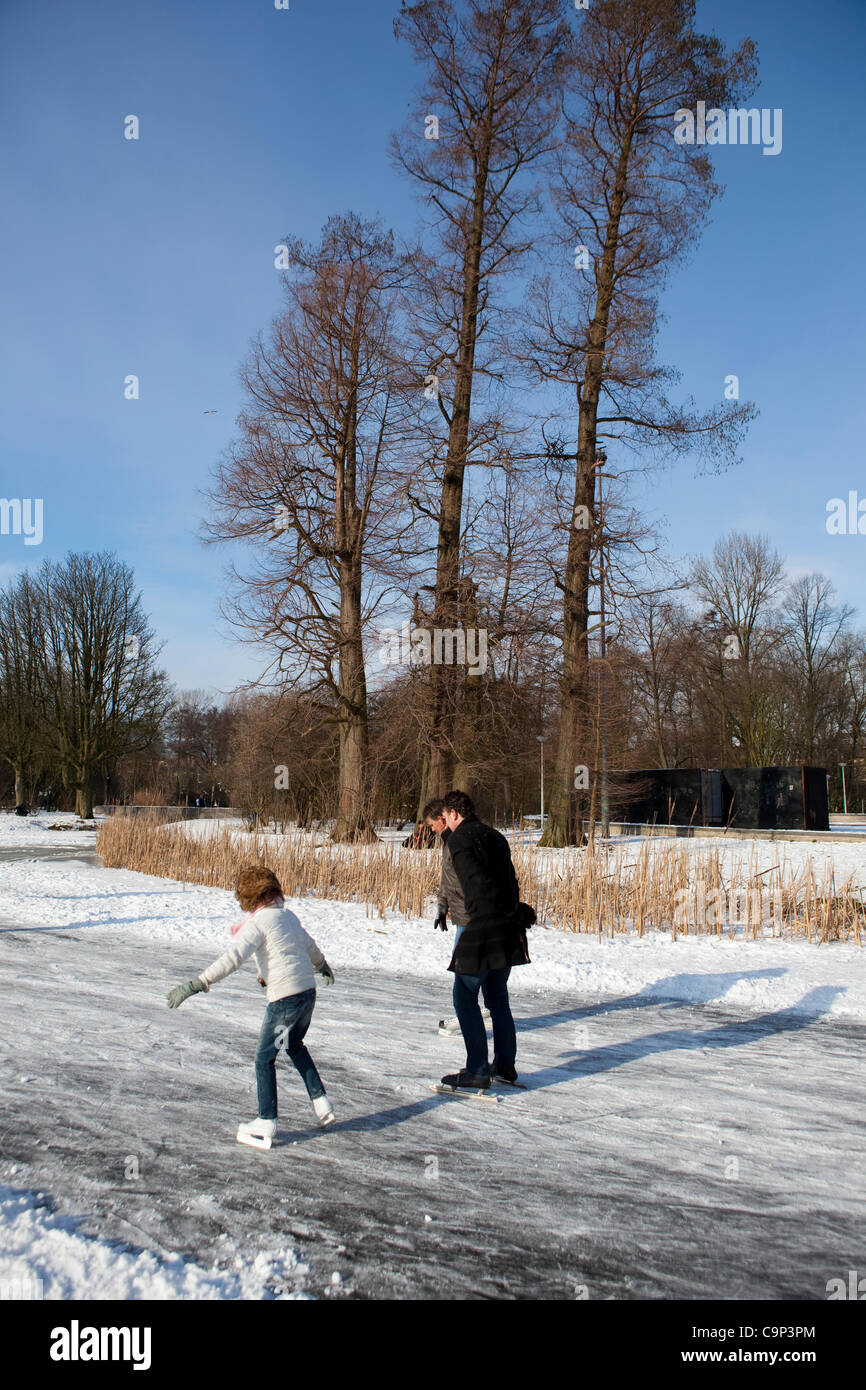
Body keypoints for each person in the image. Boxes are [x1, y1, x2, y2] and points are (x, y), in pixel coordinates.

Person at [166, 865, 336, 1143]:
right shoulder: (288, 916)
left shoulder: (258, 924)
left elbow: (233, 958)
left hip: (285, 999)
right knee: (293, 1045)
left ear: (250, 898)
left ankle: (266, 1121)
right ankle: (321, 1104)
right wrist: (323, 966)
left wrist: (198, 983)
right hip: (308, 993)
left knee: (264, 1057)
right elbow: (310, 945)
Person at [439, 790, 530, 1091]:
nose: (445, 824)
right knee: (497, 995)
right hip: (508, 926)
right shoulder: (495, 836)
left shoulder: (459, 839)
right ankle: (505, 1065)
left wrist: (480, 918)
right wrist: (512, 911)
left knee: (463, 996)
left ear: (454, 814)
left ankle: (477, 1069)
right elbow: (510, 881)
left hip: (484, 926)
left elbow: (474, 883)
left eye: (446, 818)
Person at [422, 797, 491, 1038]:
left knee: (464, 970)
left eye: (432, 825)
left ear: (444, 818)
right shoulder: (449, 841)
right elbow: (447, 878)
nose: (431, 830)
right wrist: (442, 905)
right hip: (465, 914)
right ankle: (475, 1009)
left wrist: (463, 908)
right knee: (472, 968)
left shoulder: (459, 841)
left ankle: (465, 1015)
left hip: (470, 917)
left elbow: (466, 880)